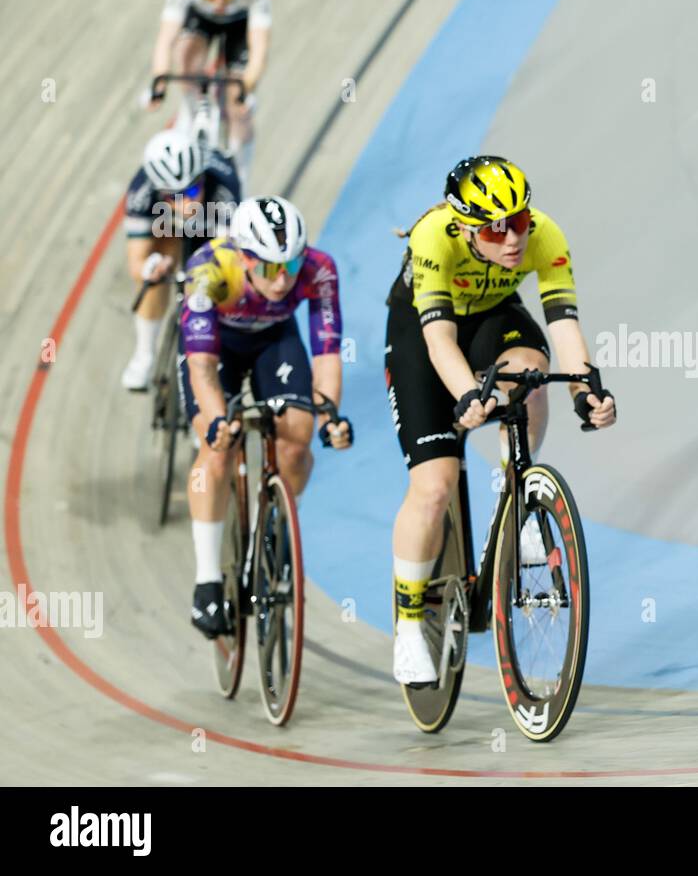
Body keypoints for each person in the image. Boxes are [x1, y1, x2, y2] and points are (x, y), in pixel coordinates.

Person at [384, 156, 615, 685]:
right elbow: (440, 342)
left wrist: (586, 392)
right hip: (422, 334)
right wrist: (466, 393)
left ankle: (518, 501)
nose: (513, 238)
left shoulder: (544, 234)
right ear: (464, 226)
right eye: (495, 228)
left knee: (532, 376)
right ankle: (411, 627)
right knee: (434, 486)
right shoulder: (432, 239)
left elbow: (564, 330)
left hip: (492, 314)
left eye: (520, 222)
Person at [179, 195, 352, 637]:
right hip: (217, 345)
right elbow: (201, 367)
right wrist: (219, 421)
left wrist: (329, 414)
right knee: (218, 450)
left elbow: (328, 354)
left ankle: (267, 533)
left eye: (292, 266)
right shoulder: (208, 271)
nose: (283, 280)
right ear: (244, 257)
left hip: (274, 338)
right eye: (272, 268)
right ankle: (206, 582)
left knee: (297, 443)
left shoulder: (319, 269)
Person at [121, 128, 241, 391]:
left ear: (202, 177)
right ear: (159, 190)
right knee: (151, 277)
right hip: (167, 225)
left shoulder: (223, 186)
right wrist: (151, 268)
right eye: (174, 196)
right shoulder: (141, 192)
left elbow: (230, 258)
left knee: (222, 289)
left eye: (193, 189)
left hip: (212, 225)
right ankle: (144, 355)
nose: (187, 203)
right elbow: (136, 261)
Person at [147, 0, 271, 186]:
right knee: (185, 58)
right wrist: (159, 80)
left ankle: (240, 171)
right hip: (201, 19)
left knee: (239, 107)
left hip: (240, 24)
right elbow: (166, 39)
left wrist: (246, 87)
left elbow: (259, 47)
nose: (218, 4)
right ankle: (193, 107)